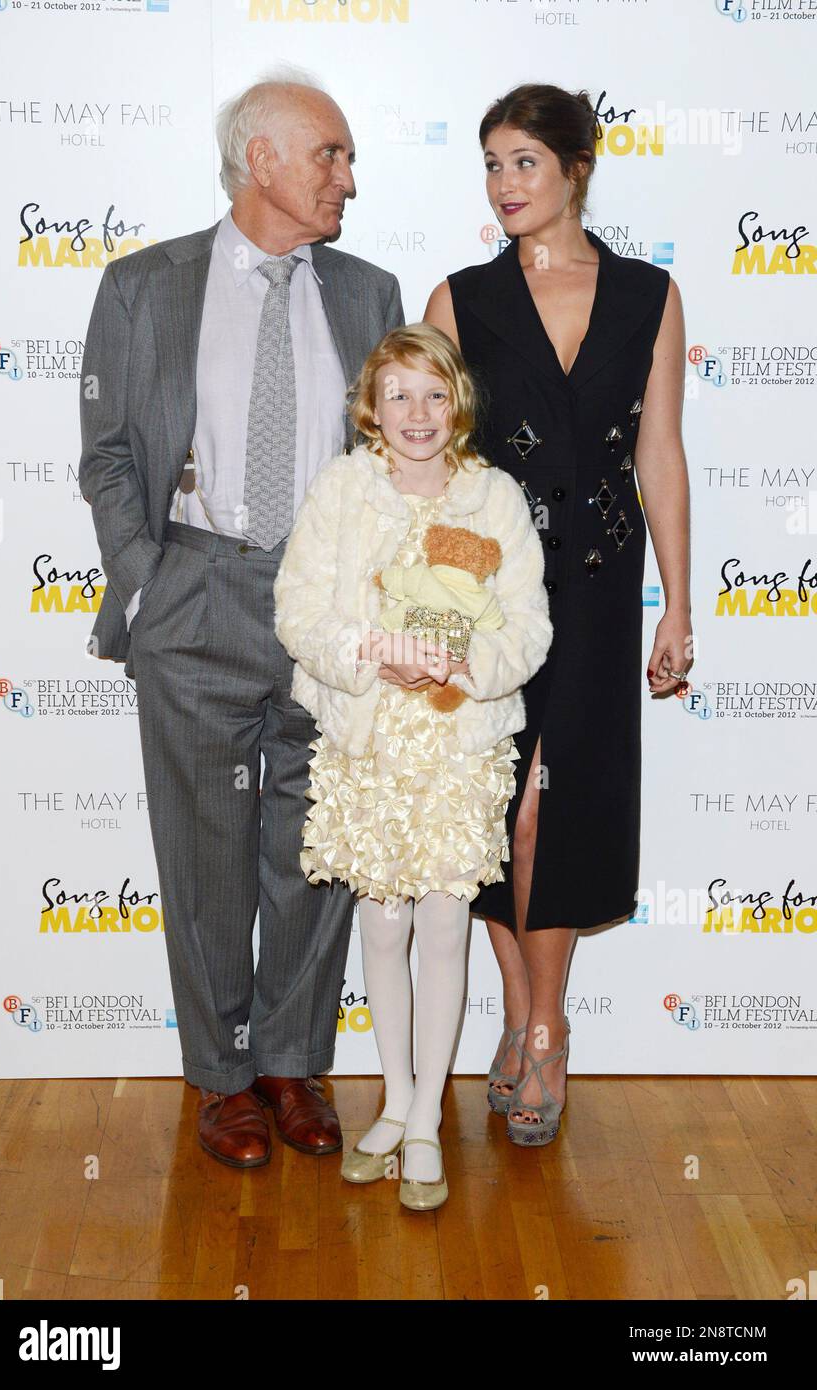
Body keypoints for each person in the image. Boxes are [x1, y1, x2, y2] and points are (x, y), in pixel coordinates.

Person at [78, 66, 405, 1168]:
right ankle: (221, 1078)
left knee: (315, 849)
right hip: (195, 593)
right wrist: (146, 581)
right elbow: (111, 454)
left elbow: (394, 464)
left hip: (326, 605)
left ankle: (290, 1063)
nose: (347, 180)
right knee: (207, 849)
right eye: (331, 155)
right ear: (258, 157)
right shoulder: (144, 285)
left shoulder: (367, 291)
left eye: (348, 158)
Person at [424, 83, 692, 1146]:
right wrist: (432, 614)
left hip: (591, 583)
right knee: (497, 813)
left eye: (523, 162)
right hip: (483, 590)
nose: (502, 186)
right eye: (490, 164)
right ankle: (531, 1020)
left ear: (576, 167)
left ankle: (542, 1026)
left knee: (557, 812)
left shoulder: (646, 296)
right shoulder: (459, 299)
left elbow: (657, 454)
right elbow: (430, 465)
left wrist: (677, 601)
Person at [272, 323, 553, 1208]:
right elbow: (297, 609)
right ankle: (392, 1102)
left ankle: (428, 1116)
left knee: (441, 925)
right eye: (398, 395)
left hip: (459, 744)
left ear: (457, 402)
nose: (417, 413)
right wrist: (368, 653)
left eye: (434, 394)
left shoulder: (494, 496)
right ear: (372, 406)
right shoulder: (341, 489)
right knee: (382, 928)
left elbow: (529, 627)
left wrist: (464, 666)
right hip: (369, 741)